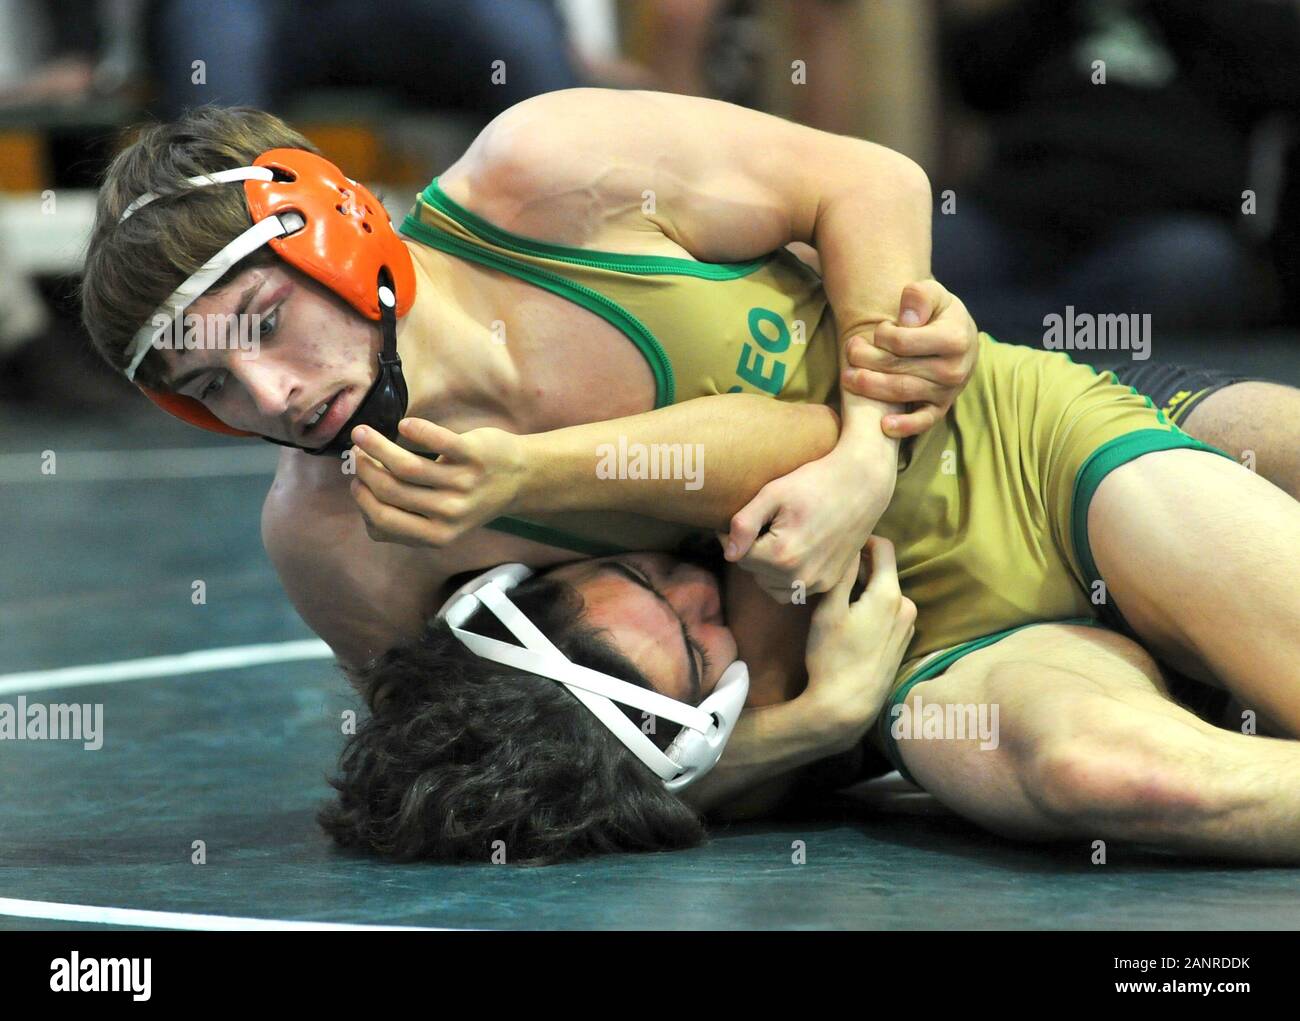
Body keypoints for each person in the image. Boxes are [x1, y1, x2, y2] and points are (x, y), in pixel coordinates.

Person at [78, 90, 1300, 822]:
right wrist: (812, 725)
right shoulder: (336, 537)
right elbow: (502, 795)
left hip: (1022, 454)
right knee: (1109, 779)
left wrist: (869, 452)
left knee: (1269, 443)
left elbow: (868, 179)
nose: (271, 397)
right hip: (913, 654)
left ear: (336, 233)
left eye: (263, 332)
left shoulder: (542, 175)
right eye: (207, 388)